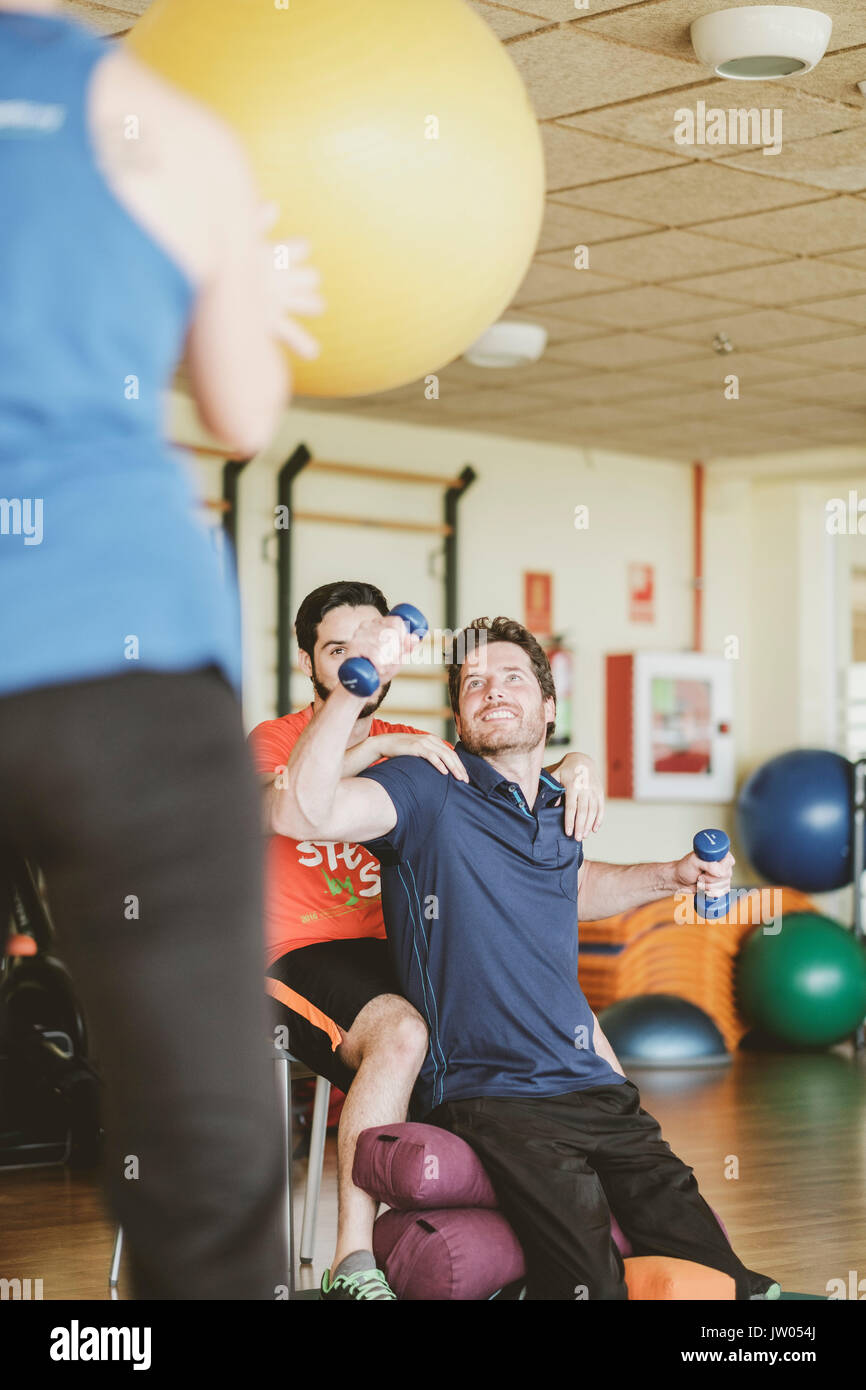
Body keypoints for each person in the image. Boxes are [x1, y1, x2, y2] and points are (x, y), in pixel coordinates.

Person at [0, 0, 322, 1298]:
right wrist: (232, 280)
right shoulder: (168, 126)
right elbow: (242, 406)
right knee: (202, 1135)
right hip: (115, 654)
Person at [277, 612, 782, 1301]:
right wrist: (352, 692)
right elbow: (302, 814)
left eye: (512, 677)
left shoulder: (558, 800)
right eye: (474, 682)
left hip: (596, 1091)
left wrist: (674, 874)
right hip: (494, 1096)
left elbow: (571, 885)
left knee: (733, 1287)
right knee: (589, 1287)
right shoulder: (428, 789)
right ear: (458, 711)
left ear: (549, 706)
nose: (492, 690)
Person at [250, 580, 605, 1300]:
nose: (357, 661)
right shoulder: (277, 741)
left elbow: (509, 782)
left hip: (398, 951)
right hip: (294, 957)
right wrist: (388, 750)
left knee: (556, 1006)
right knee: (403, 1031)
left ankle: (613, 1186)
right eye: (337, 649)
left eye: (369, 646)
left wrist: (573, 764)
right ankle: (352, 1262)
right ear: (311, 664)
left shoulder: (429, 752)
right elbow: (281, 806)